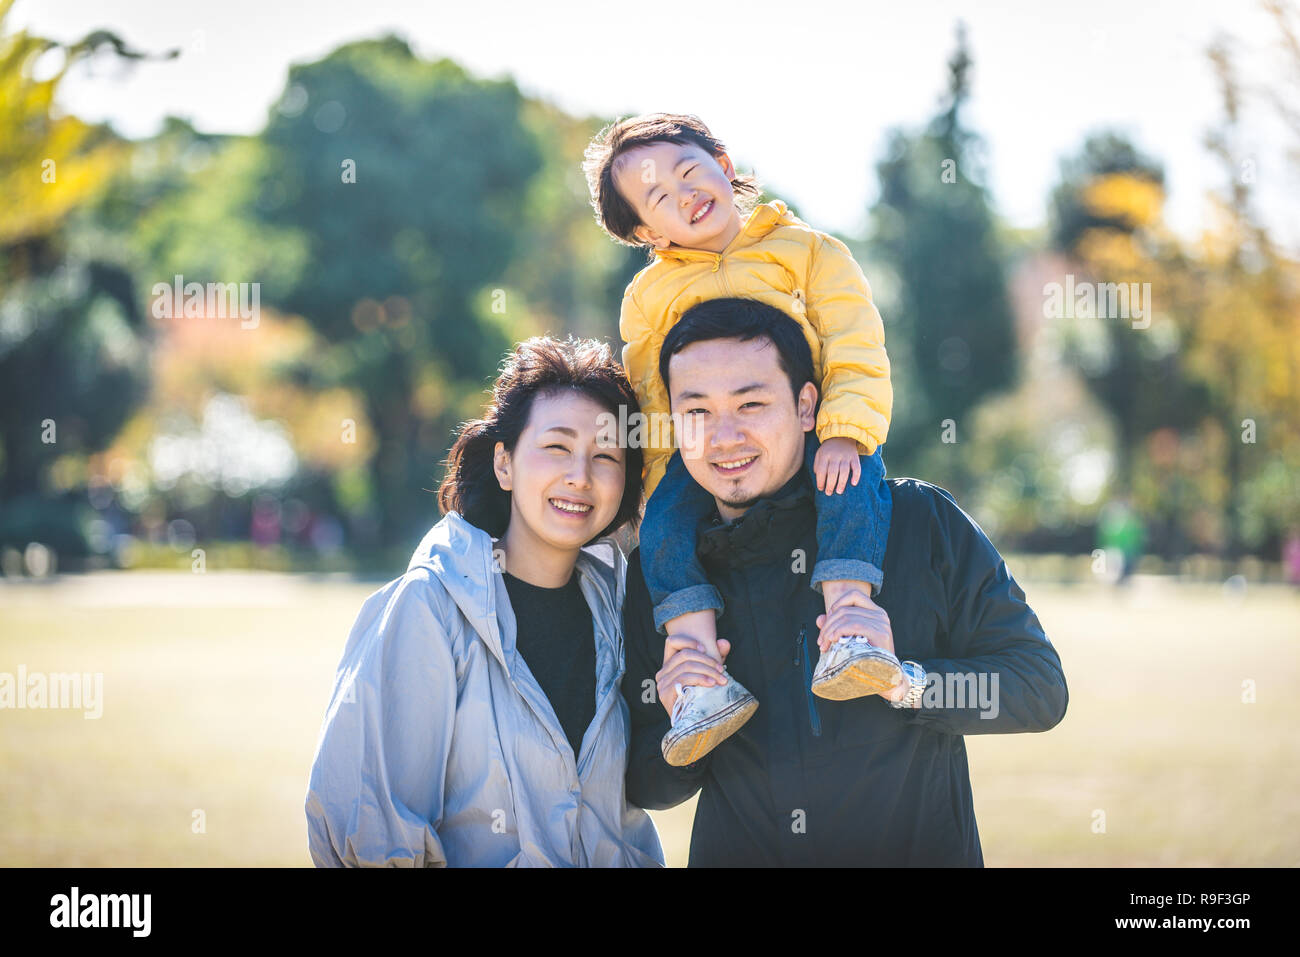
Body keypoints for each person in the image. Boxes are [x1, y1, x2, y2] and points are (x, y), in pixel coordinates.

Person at [619, 298, 1069, 866]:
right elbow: (647, 786)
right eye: (697, 412)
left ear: (807, 406)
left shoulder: (918, 523)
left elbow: (1039, 690)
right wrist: (678, 728)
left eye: (751, 404)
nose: (723, 437)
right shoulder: (661, 575)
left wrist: (905, 683)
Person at [584, 112, 900, 766]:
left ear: (723, 165)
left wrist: (846, 428)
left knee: (851, 482)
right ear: (645, 231)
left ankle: (849, 626)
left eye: (689, 171)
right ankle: (699, 672)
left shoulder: (811, 251)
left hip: (815, 429)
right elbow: (651, 393)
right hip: (703, 453)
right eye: (658, 197)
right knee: (664, 532)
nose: (684, 195)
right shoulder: (649, 296)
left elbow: (856, 347)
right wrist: (656, 484)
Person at [305, 336, 664, 867]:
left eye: (605, 455)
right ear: (505, 464)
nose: (580, 476)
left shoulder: (622, 609)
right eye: (557, 447)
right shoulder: (430, 606)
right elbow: (374, 824)